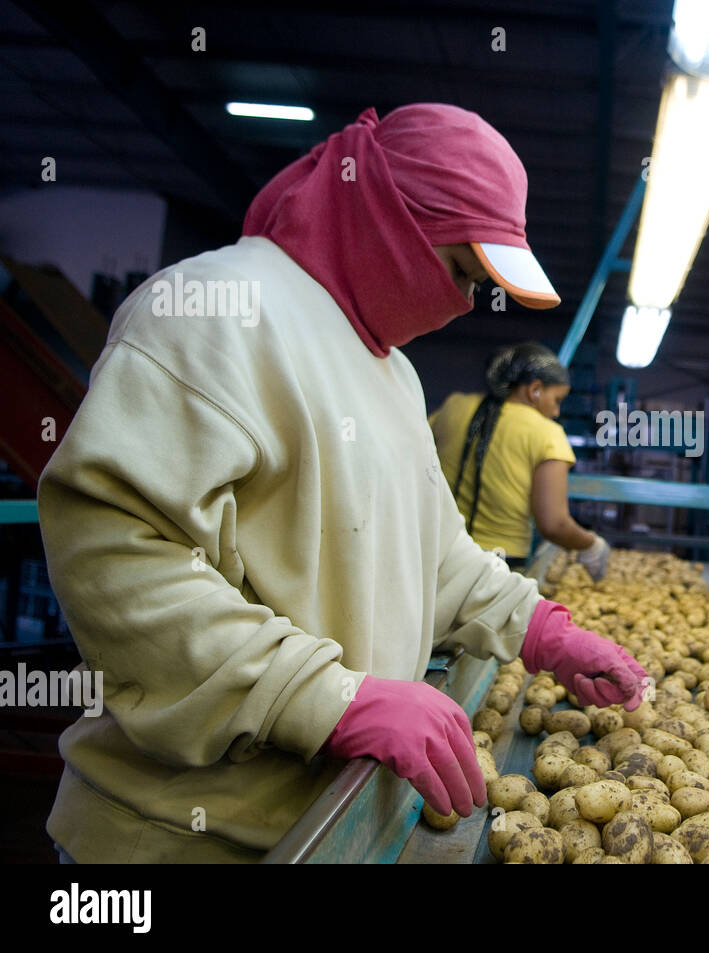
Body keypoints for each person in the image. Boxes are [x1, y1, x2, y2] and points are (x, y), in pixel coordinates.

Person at [36, 104, 646, 863]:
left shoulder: (393, 371)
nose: (460, 305)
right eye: (459, 272)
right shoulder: (213, 312)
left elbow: (432, 555)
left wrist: (541, 629)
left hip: (330, 825)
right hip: (181, 836)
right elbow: (120, 560)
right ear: (391, 215)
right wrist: (327, 697)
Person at [430, 342, 610, 578]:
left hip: (437, 556)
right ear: (534, 389)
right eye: (556, 400)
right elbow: (554, 524)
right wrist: (591, 544)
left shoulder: (453, 407)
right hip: (498, 569)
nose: (556, 412)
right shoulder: (547, 433)